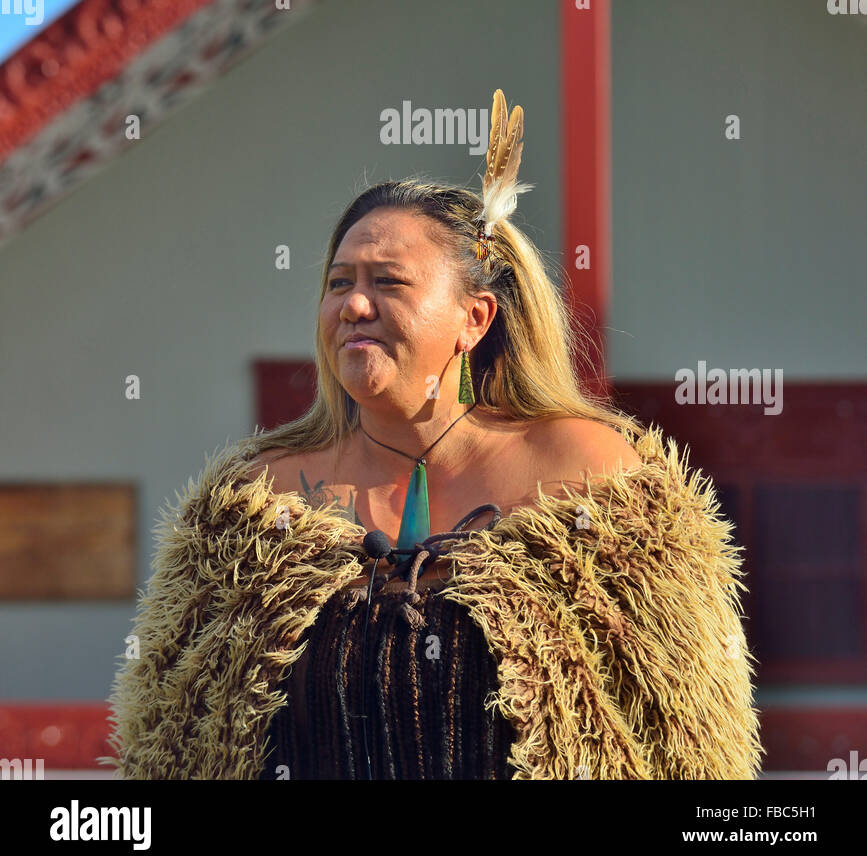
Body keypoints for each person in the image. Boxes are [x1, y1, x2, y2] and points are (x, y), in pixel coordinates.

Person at [103, 90, 764, 780]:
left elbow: (685, 745)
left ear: (473, 318)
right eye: (338, 283)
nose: (353, 305)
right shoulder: (252, 508)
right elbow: (172, 750)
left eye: (387, 282)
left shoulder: (588, 477)